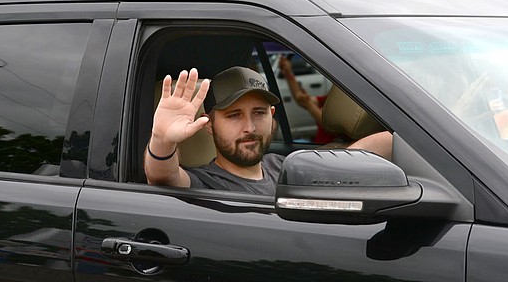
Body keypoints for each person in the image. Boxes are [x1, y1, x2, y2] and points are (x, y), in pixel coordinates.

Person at [145, 66, 392, 195]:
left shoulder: (283, 166)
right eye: (234, 115)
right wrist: (162, 140)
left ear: (272, 115)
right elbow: (163, 176)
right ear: (209, 124)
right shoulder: (205, 182)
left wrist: (408, 136)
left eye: (259, 113)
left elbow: (355, 156)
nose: (250, 127)